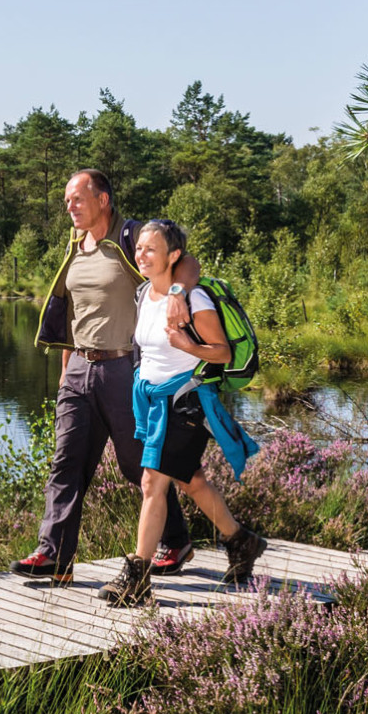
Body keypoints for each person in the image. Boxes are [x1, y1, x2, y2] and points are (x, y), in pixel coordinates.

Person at [13, 169, 199, 583]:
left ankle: (176, 540)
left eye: (77, 199)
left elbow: (186, 261)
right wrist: (66, 374)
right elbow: (73, 314)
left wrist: (176, 294)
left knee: (137, 464)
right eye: (66, 201)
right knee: (67, 462)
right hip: (79, 369)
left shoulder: (132, 238)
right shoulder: (75, 247)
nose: (70, 207)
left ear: (103, 200)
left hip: (124, 369)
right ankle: (55, 556)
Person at [100, 218, 267, 607]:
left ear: (173, 255)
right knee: (190, 480)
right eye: (139, 247)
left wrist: (186, 344)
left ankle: (137, 577)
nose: (141, 254)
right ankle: (242, 541)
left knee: (152, 482)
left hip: (185, 402)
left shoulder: (195, 300)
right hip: (152, 400)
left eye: (151, 249)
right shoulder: (146, 294)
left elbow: (222, 352)